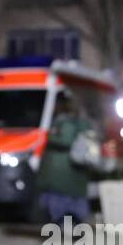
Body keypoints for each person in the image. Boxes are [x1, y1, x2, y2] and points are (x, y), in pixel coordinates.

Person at [35, 92, 93, 224]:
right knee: (74, 203)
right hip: (77, 171)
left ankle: (62, 228)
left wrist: (50, 137)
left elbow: (63, 140)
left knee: (59, 203)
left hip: (61, 172)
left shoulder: (61, 122)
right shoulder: (85, 123)